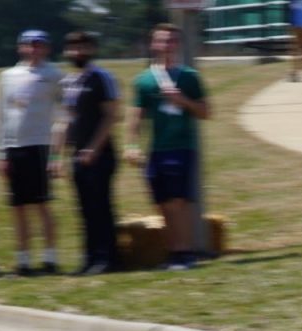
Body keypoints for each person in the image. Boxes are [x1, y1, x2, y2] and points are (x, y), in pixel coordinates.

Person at [124, 23, 210, 271]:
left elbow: (206, 112)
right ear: (154, 44)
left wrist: (182, 100)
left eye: (172, 40)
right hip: (156, 150)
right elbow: (136, 116)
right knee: (161, 203)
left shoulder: (189, 76)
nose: (167, 45)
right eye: (162, 40)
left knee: (177, 202)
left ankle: (186, 253)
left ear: (178, 44)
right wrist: (131, 144)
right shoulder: (144, 80)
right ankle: (174, 254)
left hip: (182, 146)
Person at [0, 29, 64, 276]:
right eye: (29, 45)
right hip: (13, 147)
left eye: (39, 45)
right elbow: (0, 115)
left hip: (40, 145)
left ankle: (50, 258)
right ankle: (23, 260)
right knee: (18, 206)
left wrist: (57, 152)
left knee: (42, 204)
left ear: (46, 48)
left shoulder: (54, 74)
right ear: (20, 48)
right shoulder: (7, 76)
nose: (34, 50)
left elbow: (64, 113)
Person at [55, 31, 120, 276]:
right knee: (84, 208)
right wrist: (56, 156)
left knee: (101, 206)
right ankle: (90, 258)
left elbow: (111, 116)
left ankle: (107, 257)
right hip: (77, 154)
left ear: (92, 49)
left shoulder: (102, 78)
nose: (77, 52)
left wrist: (94, 147)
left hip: (100, 154)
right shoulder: (69, 82)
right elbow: (64, 120)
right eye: (73, 48)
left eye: (82, 47)